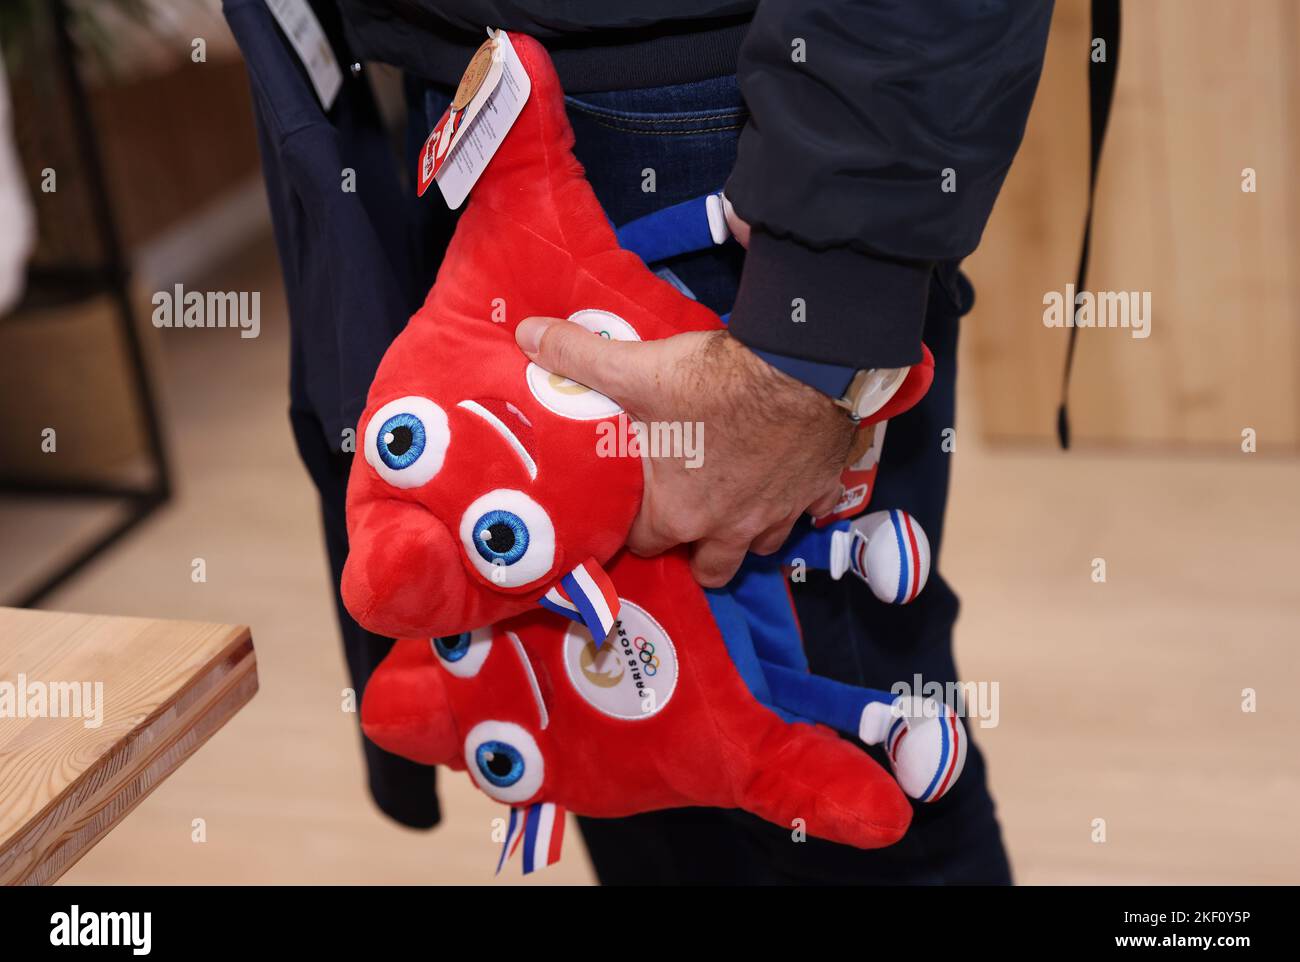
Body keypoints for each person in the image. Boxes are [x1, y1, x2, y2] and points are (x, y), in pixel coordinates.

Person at [232, 0, 1054, 883]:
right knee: (630, 772)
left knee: (833, 836)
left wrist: (811, 339)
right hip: (476, 100)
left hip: (710, 117)